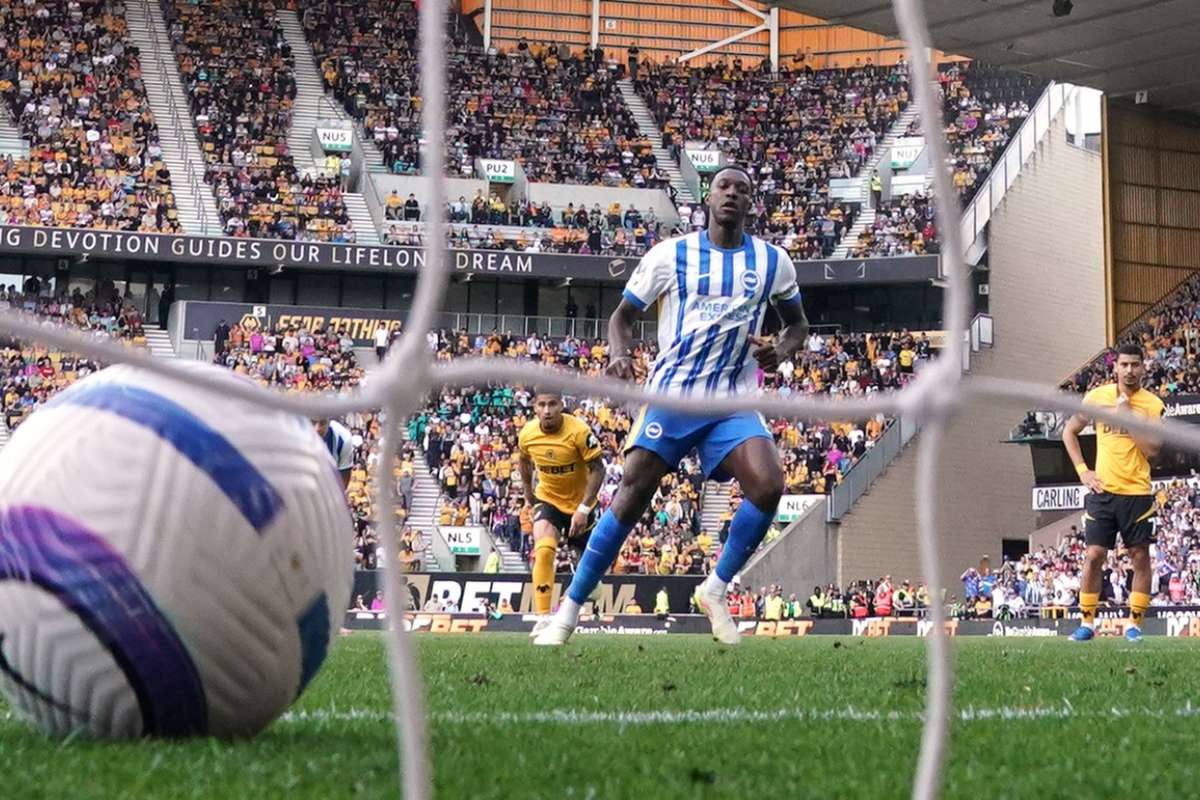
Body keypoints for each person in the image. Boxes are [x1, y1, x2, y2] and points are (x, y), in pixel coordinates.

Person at [535, 166, 809, 646]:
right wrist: (619, 357)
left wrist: (781, 351)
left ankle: (715, 588)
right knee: (632, 495)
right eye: (724, 186)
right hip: (671, 396)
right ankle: (569, 612)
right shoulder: (670, 255)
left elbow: (798, 325)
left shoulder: (772, 262)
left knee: (769, 486)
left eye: (742, 190)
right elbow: (621, 318)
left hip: (731, 400)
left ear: (751, 204)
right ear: (708, 197)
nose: (732, 195)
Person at [1062, 343, 1164, 642]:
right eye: (1124, 365)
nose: (1130, 371)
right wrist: (1083, 471)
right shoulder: (1096, 397)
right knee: (1094, 555)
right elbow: (1069, 431)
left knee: (1140, 556)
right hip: (1102, 491)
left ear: (1143, 367)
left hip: (1137, 492)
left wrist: (1126, 416)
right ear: (1115, 367)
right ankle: (1086, 623)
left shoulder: (1151, 404)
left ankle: (1134, 625)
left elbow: (1152, 451)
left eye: (1135, 365)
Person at [517, 387, 604, 635]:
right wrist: (528, 496)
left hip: (581, 504)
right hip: (549, 500)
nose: (547, 410)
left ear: (561, 405)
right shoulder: (527, 434)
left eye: (552, 404)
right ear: (534, 407)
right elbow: (523, 461)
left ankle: (589, 584)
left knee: (590, 578)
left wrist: (584, 509)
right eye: (542, 405)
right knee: (543, 550)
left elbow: (598, 469)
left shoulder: (579, 431)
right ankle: (543, 617)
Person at [314, 418, 355, 488]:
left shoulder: (343, 438)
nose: (317, 429)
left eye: (323, 423)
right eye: (312, 422)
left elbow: (344, 479)